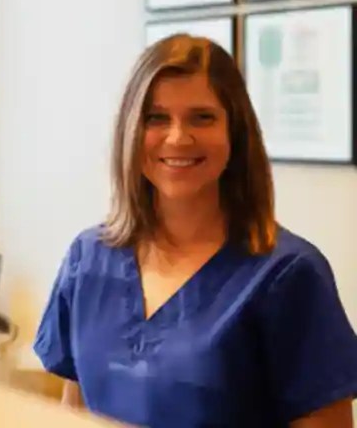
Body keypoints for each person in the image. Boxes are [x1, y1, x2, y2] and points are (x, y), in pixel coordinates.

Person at [34, 34, 357, 427]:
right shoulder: (87, 260)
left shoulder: (287, 275)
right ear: (131, 131)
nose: (177, 137)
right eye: (156, 118)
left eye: (202, 117)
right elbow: (76, 411)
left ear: (235, 134)